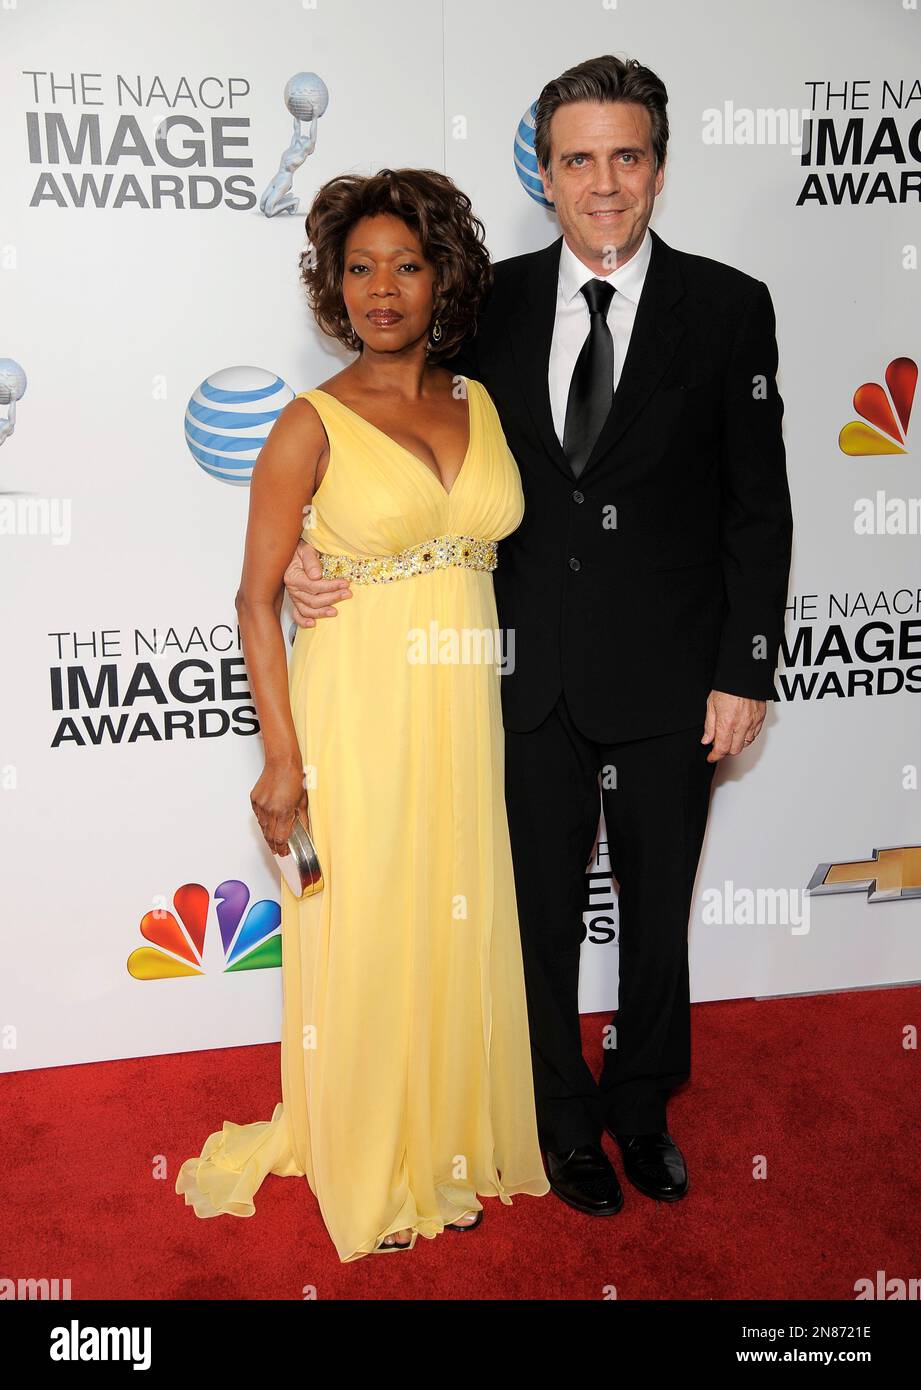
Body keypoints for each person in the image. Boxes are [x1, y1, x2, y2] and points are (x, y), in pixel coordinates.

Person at [285, 56, 794, 1217]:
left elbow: (757, 507)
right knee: (533, 917)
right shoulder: (490, 303)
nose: (602, 182)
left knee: (658, 912)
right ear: (548, 175)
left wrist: (744, 668)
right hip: (516, 679)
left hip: (675, 675)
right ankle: (558, 1121)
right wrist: (316, 547)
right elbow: (398, 434)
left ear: (658, 168)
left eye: (626, 156)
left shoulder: (729, 307)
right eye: (578, 159)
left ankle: (642, 1106)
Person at [175, 167, 549, 1261]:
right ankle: (370, 1159)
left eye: (408, 265)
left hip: (460, 713)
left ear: (444, 278)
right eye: (359, 268)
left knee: (448, 916)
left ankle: (439, 1140)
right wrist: (280, 762)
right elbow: (253, 597)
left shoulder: (479, 402)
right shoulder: (308, 423)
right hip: (361, 707)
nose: (383, 288)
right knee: (369, 928)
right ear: (334, 287)